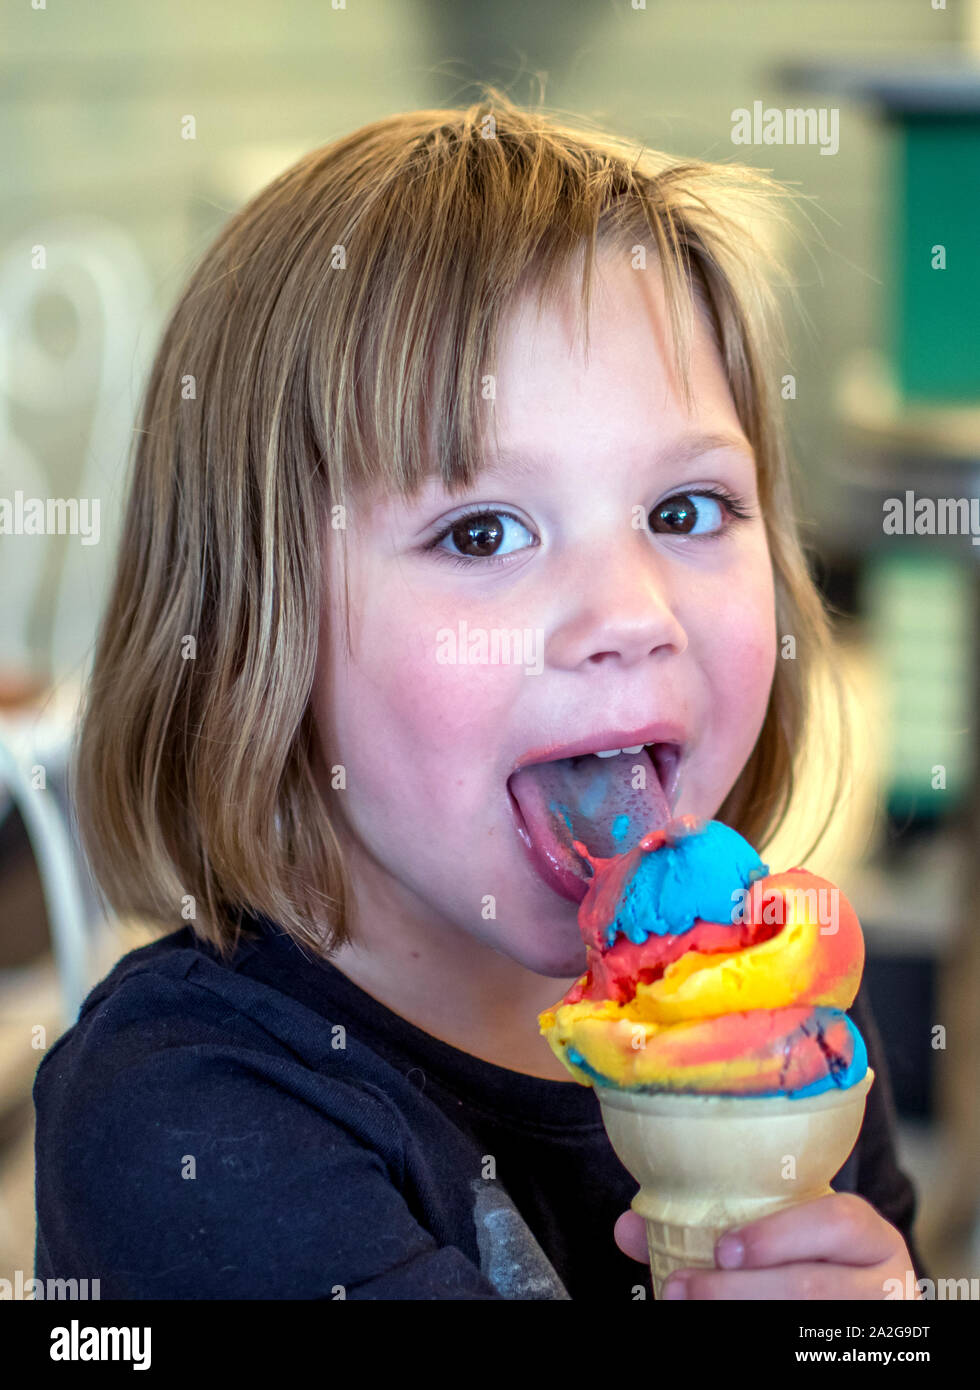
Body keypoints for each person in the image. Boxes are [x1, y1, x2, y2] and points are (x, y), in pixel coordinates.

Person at [34, 91, 927, 1299]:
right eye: (482, 530)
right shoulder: (186, 1117)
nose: (628, 614)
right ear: (257, 635)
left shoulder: (782, 1016)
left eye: (684, 510)